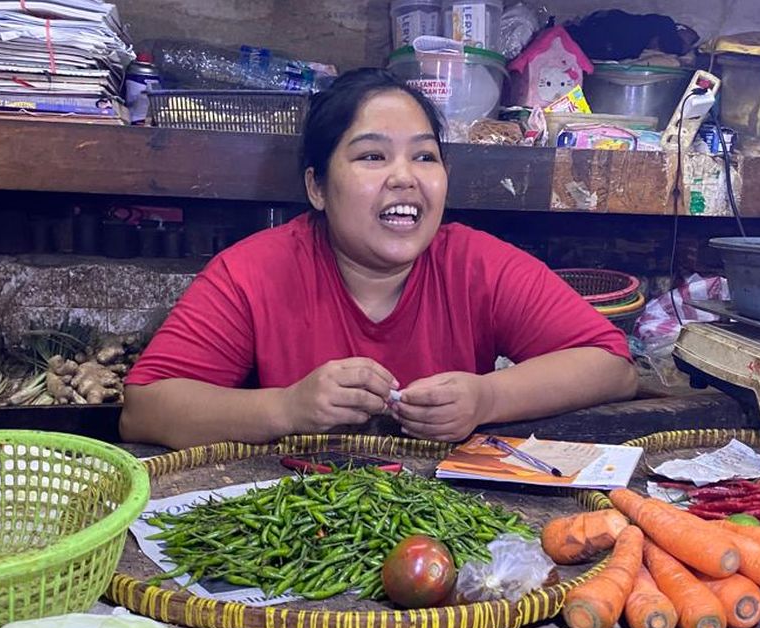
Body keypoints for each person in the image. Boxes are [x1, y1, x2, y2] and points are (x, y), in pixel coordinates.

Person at [121, 68, 637, 449]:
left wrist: (487, 398)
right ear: (317, 187)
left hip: (443, 528)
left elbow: (612, 367)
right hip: (301, 525)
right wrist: (287, 407)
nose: (404, 177)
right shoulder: (253, 272)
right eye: (372, 156)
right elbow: (145, 410)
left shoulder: (474, 263)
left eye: (425, 156)